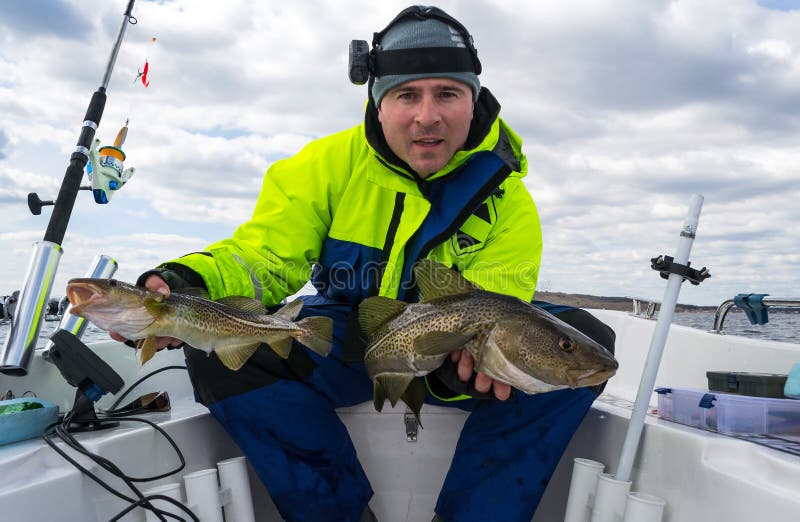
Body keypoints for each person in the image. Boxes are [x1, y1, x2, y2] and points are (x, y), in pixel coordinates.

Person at [113, 6, 615, 522]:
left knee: (581, 340)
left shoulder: (509, 200)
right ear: (377, 104)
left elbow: (492, 302)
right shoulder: (325, 166)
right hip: (352, 337)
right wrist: (187, 281)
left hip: (451, 351)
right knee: (224, 352)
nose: (427, 116)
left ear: (474, 100)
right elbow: (264, 256)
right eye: (406, 95)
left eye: (447, 93)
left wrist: (464, 368)